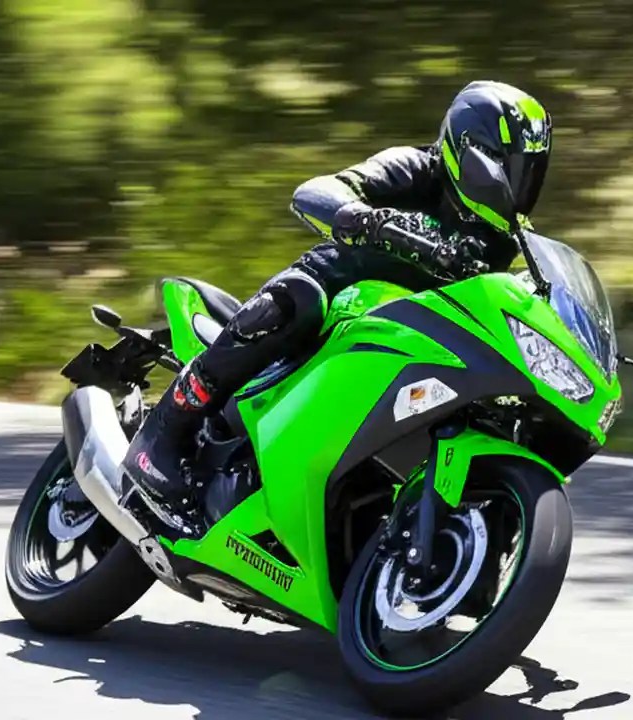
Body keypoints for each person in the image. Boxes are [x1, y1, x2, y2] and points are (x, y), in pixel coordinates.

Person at [124, 80, 553, 531]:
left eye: (530, 172)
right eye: (509, 169)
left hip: (400, 342)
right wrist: (374, 221)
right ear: (467, 153)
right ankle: (163, 433)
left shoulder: (503, 241)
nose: (519, 185)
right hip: (335, 292)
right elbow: (317, 191)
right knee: (296, 304)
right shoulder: (415, 169)